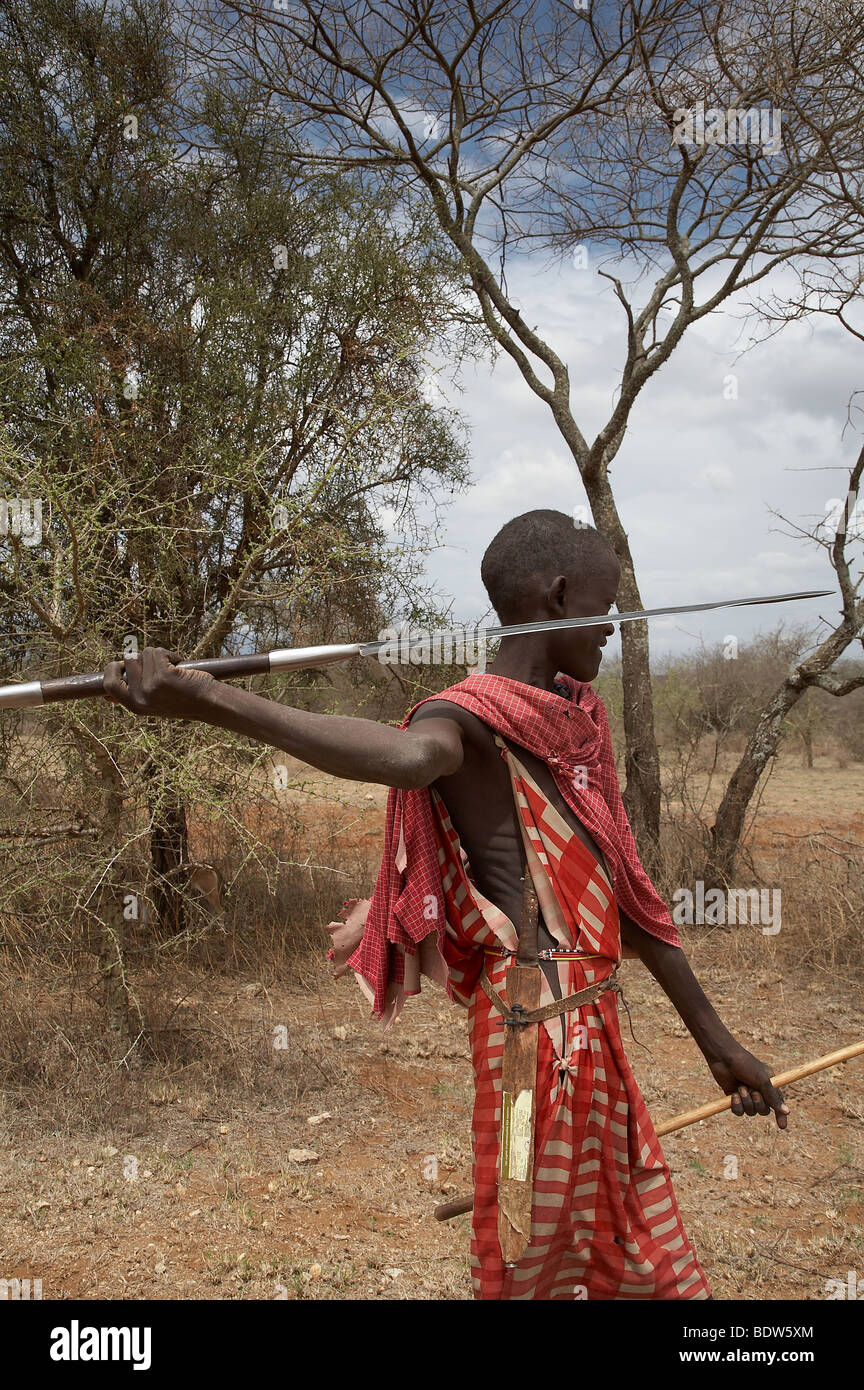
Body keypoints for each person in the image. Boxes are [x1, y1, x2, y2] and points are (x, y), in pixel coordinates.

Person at [102, 508, 788, 1301]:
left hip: (590, 1024)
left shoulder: (574, 727)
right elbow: (404, 758)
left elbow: (633, 906)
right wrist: (207, 699)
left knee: (623, 1245)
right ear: (560, 595)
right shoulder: (462, 718)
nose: (615, 628)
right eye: (608, 604)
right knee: (540, 1260)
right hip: (538, 1036)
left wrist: (717, 1046)